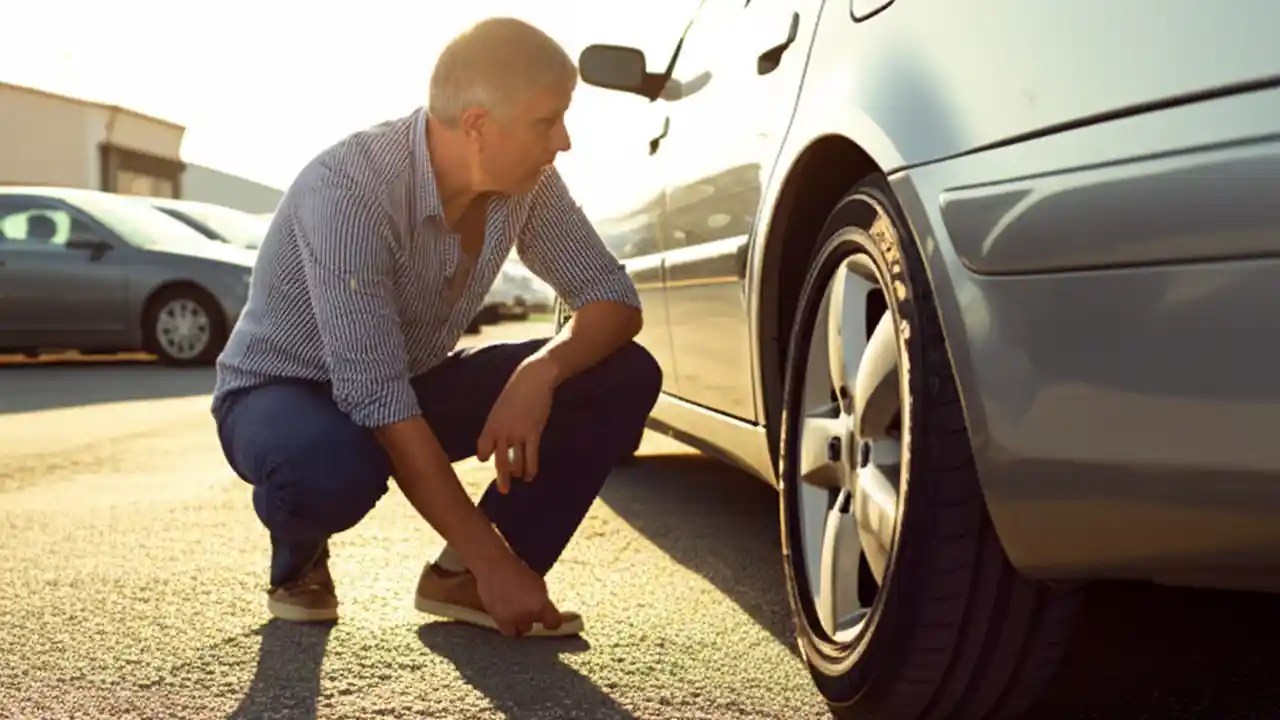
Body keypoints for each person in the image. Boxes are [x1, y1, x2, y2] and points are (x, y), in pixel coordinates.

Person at [210, 17, 661, 638]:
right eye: (546, 121)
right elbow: (376, 398)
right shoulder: (349, 189)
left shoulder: (522, 182)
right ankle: (300, 550)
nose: (564, 140)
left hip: (406, 382)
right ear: (477, 124)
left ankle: (466, 583)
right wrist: (492, 555)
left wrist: (542, 370)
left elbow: (612, 298)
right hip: (281, 392)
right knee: (332, 469)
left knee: (621, 372)